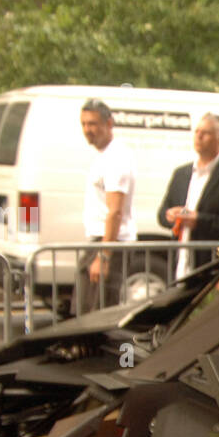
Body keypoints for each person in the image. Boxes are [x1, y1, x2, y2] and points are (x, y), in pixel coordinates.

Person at [158, 112, 219, 281]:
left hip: (212, 269)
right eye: (197, 132)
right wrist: (170, 216)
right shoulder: (181, 174)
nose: (199, 136)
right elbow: (161, 214)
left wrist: (200, 220)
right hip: (179, 265)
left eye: (206, 133)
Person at [76, 99, 136, 315]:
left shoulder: (116, 157)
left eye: (92, 124)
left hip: (109, 244)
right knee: (87, 312)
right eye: (83, 124)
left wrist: (104, 256)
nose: (87, 130)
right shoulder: (105, 155)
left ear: (109, 123)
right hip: (102, 243)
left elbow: (115, 211)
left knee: (98, 315)